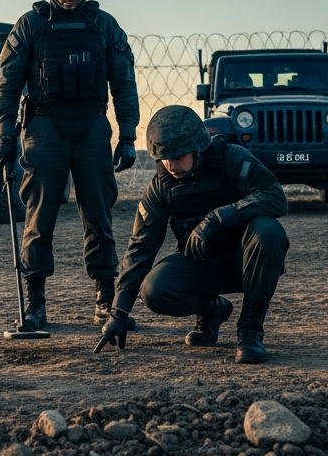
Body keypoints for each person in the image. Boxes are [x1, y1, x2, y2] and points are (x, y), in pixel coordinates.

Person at [0, 0, 141, 330]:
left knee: (99, 216)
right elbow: (7, 84)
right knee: (39, 218)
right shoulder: (31, 24)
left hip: (92, 126)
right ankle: (36, 304)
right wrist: (4, 135)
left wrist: (127, 136)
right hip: (44, 127)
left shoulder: (104, 25)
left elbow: (124, 83)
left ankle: (105, 300)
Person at [96, 106, 289, 363]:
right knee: (154, 289)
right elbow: (141, 246)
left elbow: (276, 197)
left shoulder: (232, 159)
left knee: (268, 231)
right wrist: (118, 312)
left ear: (197, 147)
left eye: (178, 156)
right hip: (203, 265)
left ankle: (250, 330)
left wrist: (218, 218)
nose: (171, 165)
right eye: (165, 158)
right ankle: (213, 310)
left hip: (247, 262)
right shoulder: (161, 187)